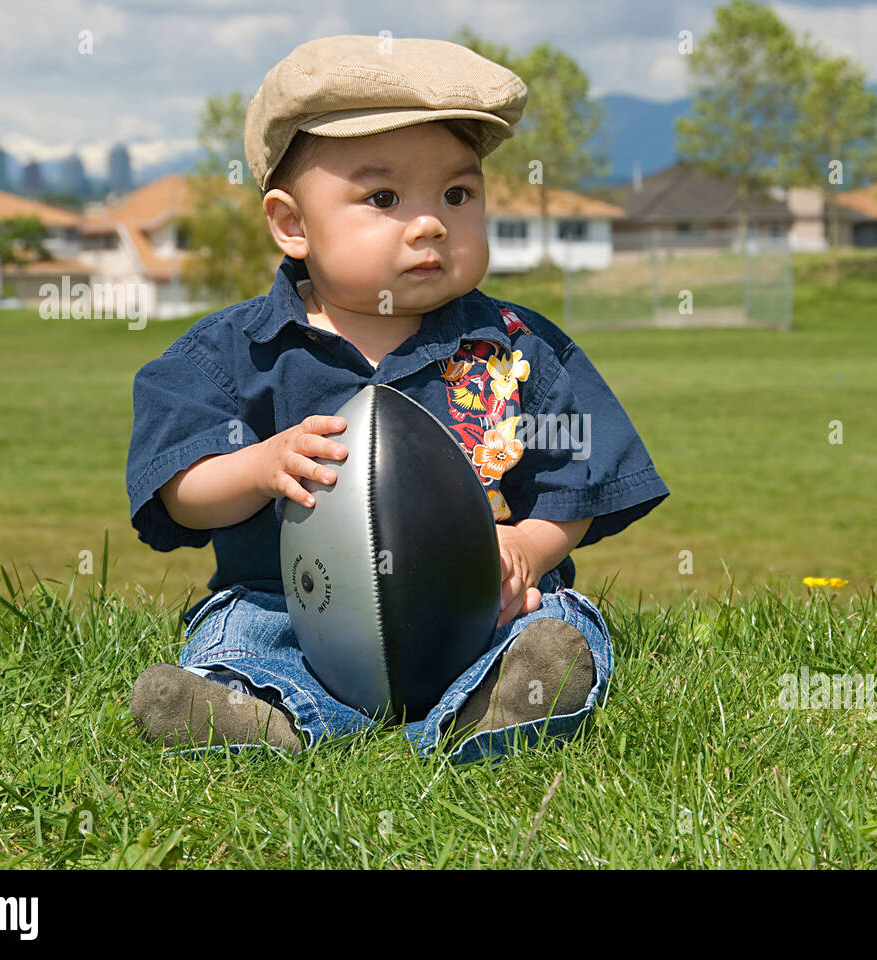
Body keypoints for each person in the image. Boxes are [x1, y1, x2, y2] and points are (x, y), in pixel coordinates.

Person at [124, 34, 669, 766]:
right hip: (292, 605)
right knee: (239, 632)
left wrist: (528, 549)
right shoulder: (230, 356)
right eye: (383, 197)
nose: (432, 222)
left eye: (458, 193)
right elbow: (183, 491)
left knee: (558, 621)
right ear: (291, 224)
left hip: (478, 606)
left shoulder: (513, 346)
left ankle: (497, 701)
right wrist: (259, 467)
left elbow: (578, 482)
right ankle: (256, 711)